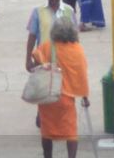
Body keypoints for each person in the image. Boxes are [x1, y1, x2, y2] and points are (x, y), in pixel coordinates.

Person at [31, 18, 90, 158]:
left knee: (47, 131)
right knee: (71, 132)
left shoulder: (47, 47)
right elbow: (82, 75)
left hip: (48, 97)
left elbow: (36, 62)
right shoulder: (77, 50)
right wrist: (85, 97)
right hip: (66, 99)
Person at [25, 0, 77, 71]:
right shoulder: (37, 11)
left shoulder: (69, 11)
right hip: (42, 61)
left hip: (64, 62)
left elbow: (74, 38)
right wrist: (28, 58)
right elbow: (32, 37)